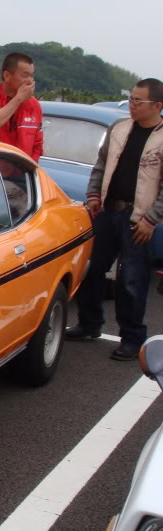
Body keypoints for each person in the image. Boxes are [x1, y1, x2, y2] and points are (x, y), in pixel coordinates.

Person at [65, 78, 163, 360]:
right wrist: (94, 194)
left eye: (138, 101)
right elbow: (101, 165)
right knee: (93, 270)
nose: (132, 105)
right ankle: (89, 324)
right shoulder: (119, 129)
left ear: (157, 106)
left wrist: (151, 219)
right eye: (131, 99)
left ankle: (132, 338)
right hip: (108, 212)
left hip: (139, 219)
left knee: (131, 280)